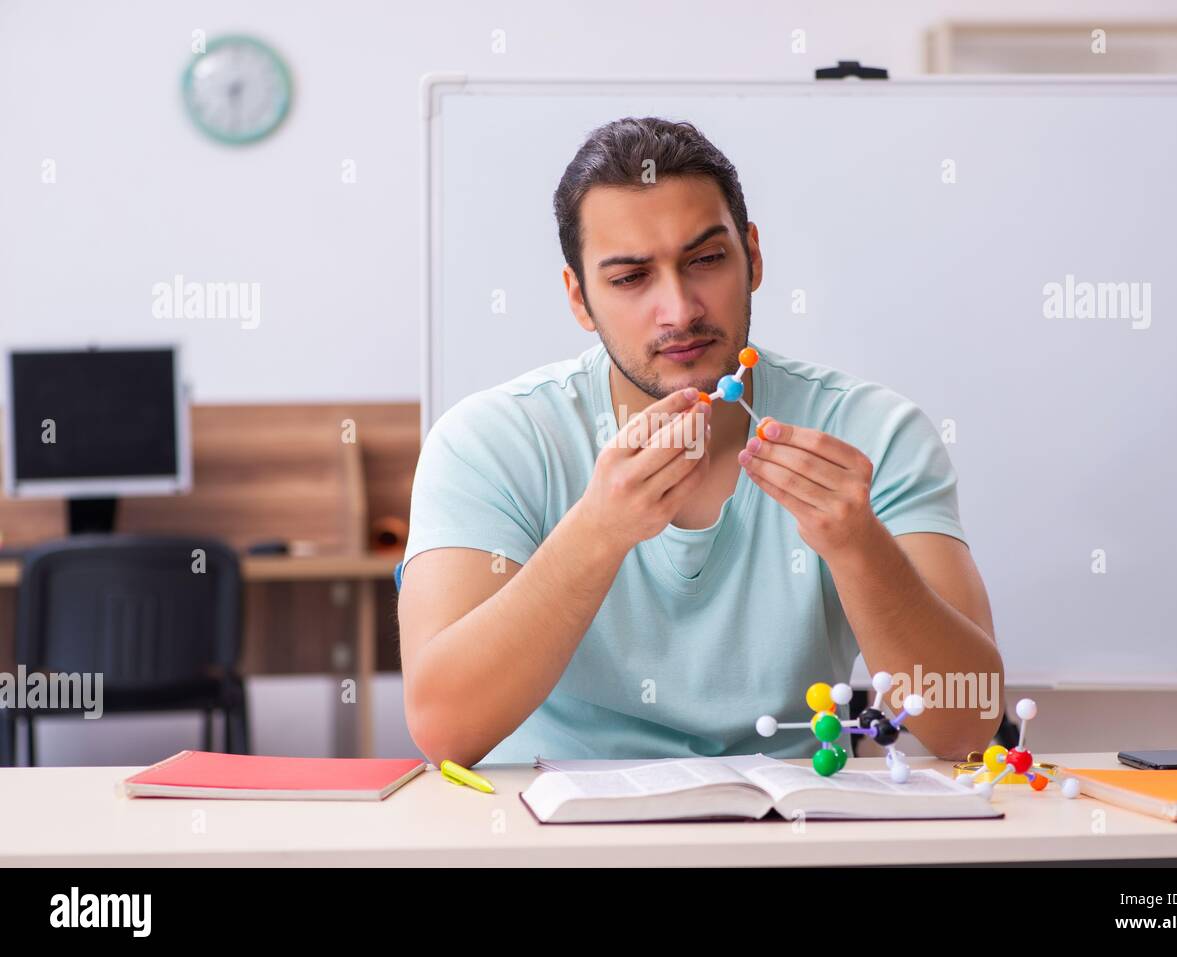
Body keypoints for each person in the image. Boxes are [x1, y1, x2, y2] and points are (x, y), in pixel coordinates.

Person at [399, 117, 1003, 766]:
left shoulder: (872, 432)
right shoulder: (491, 442)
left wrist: (859, 546)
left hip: (796, 831)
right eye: (631, 278)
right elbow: (443, 728)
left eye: (706, 260)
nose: (680, 309)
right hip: (548, 831)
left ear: (754, 257)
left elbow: (966, 727)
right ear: (579, 298)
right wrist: (598, 531)